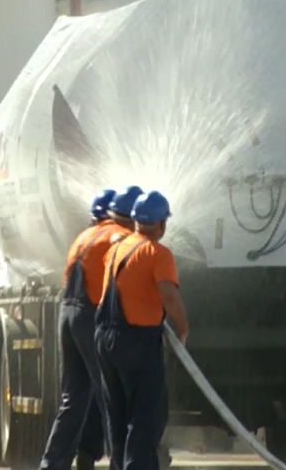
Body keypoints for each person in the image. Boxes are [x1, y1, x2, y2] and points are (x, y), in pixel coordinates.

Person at [40, 187, 141, 470]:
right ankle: (121, 463)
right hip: (89, 318)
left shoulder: (85, 236)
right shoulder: (117, 236)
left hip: (68, 314)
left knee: (74, 397)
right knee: (110, 395)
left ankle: (53, 463)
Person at [95, 190, 189, 470]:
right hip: (136, 342)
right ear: (161, 225)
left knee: (118, 417)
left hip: (105, 339)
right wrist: (183, 330)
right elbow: (168, 295)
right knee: (145, 419)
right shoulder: (157, 253)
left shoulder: (115, 250)